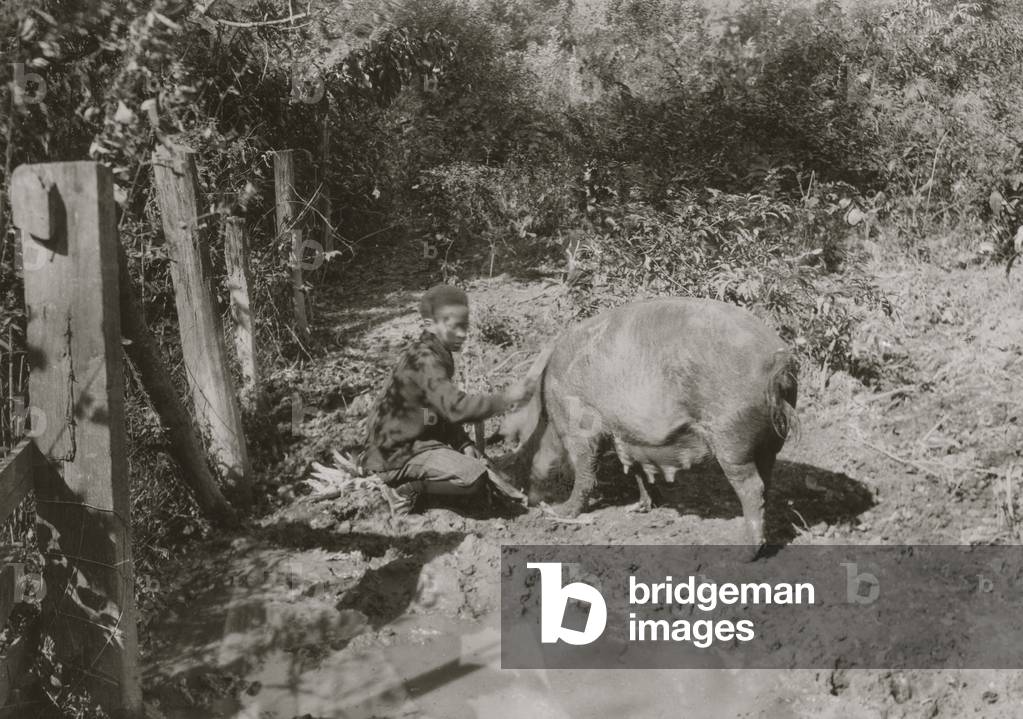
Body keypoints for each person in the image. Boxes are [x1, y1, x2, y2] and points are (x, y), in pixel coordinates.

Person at [359, 284, 534, 515]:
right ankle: (404, 490)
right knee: (473, 477)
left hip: (409, 442)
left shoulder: (434, 352)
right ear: (429, 325)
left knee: (473, 467)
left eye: (464, 326)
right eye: (454, 327)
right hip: (396, 454)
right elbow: (455, 408)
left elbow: (436, 411)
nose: (462, 334)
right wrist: (506, 398)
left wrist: (462, 442)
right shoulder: (425, 360)